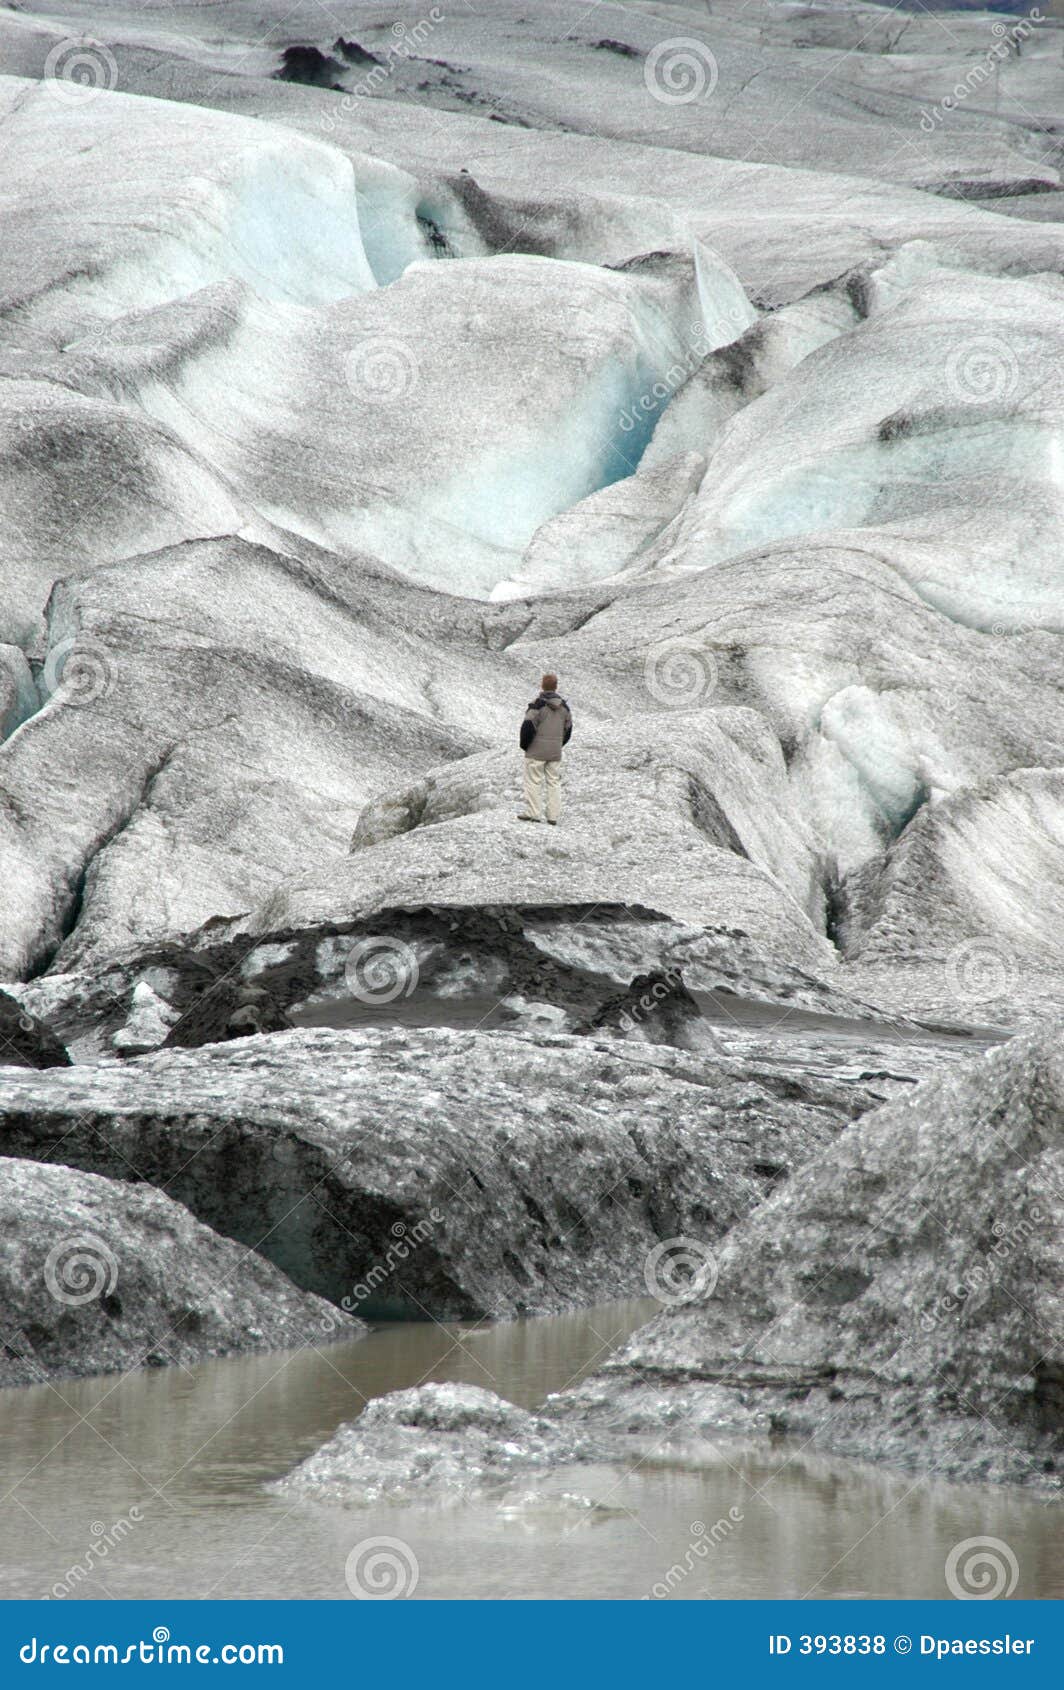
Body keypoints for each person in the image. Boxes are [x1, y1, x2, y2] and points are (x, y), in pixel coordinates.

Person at [517, 673, 572, 825]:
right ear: (556, 686)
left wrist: (525, 745)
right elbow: (568, 729)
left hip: (536, 751)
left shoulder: (537, 705)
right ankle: (553, 816)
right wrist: (558, 744)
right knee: (553, 782)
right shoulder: (564, 708)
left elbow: (527, 727)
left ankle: (534, 813)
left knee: (534, 781)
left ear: (542, 685)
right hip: (554, 752)